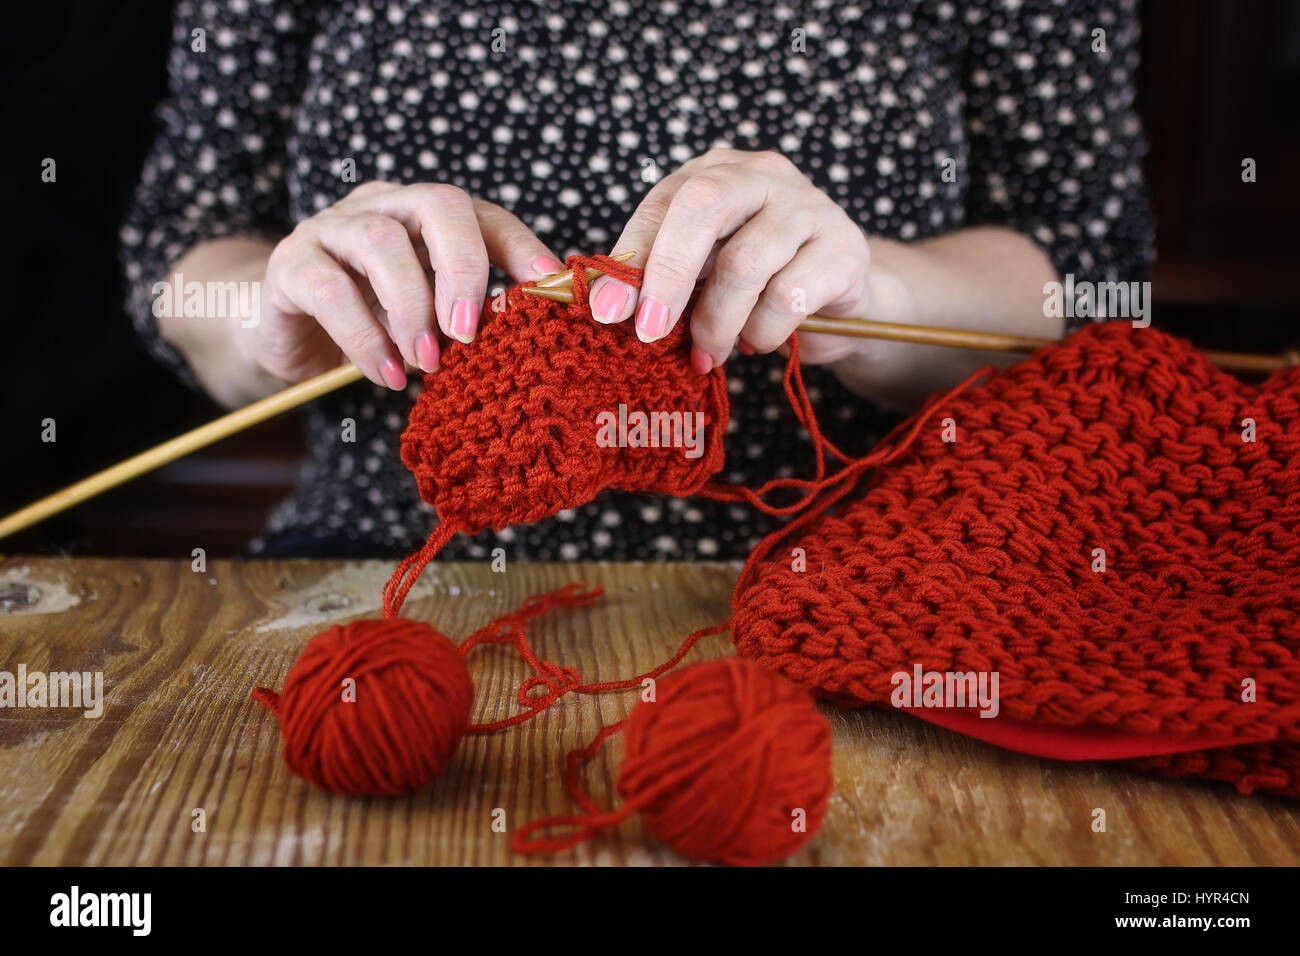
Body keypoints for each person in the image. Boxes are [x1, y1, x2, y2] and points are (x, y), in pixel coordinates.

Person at [120, 0, 1153, 560]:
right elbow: (183, 243)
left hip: (873, 574)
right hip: (379, 564)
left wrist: (881, 298)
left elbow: (1094, 274)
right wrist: (271, 310)